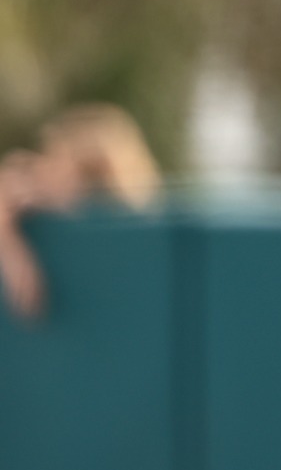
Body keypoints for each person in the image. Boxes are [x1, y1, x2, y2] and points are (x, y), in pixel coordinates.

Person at [0, 104, 161, 320]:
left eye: (57, 167)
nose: (43, 175)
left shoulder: (128, 220)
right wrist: (13, 251)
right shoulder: (35, 203)